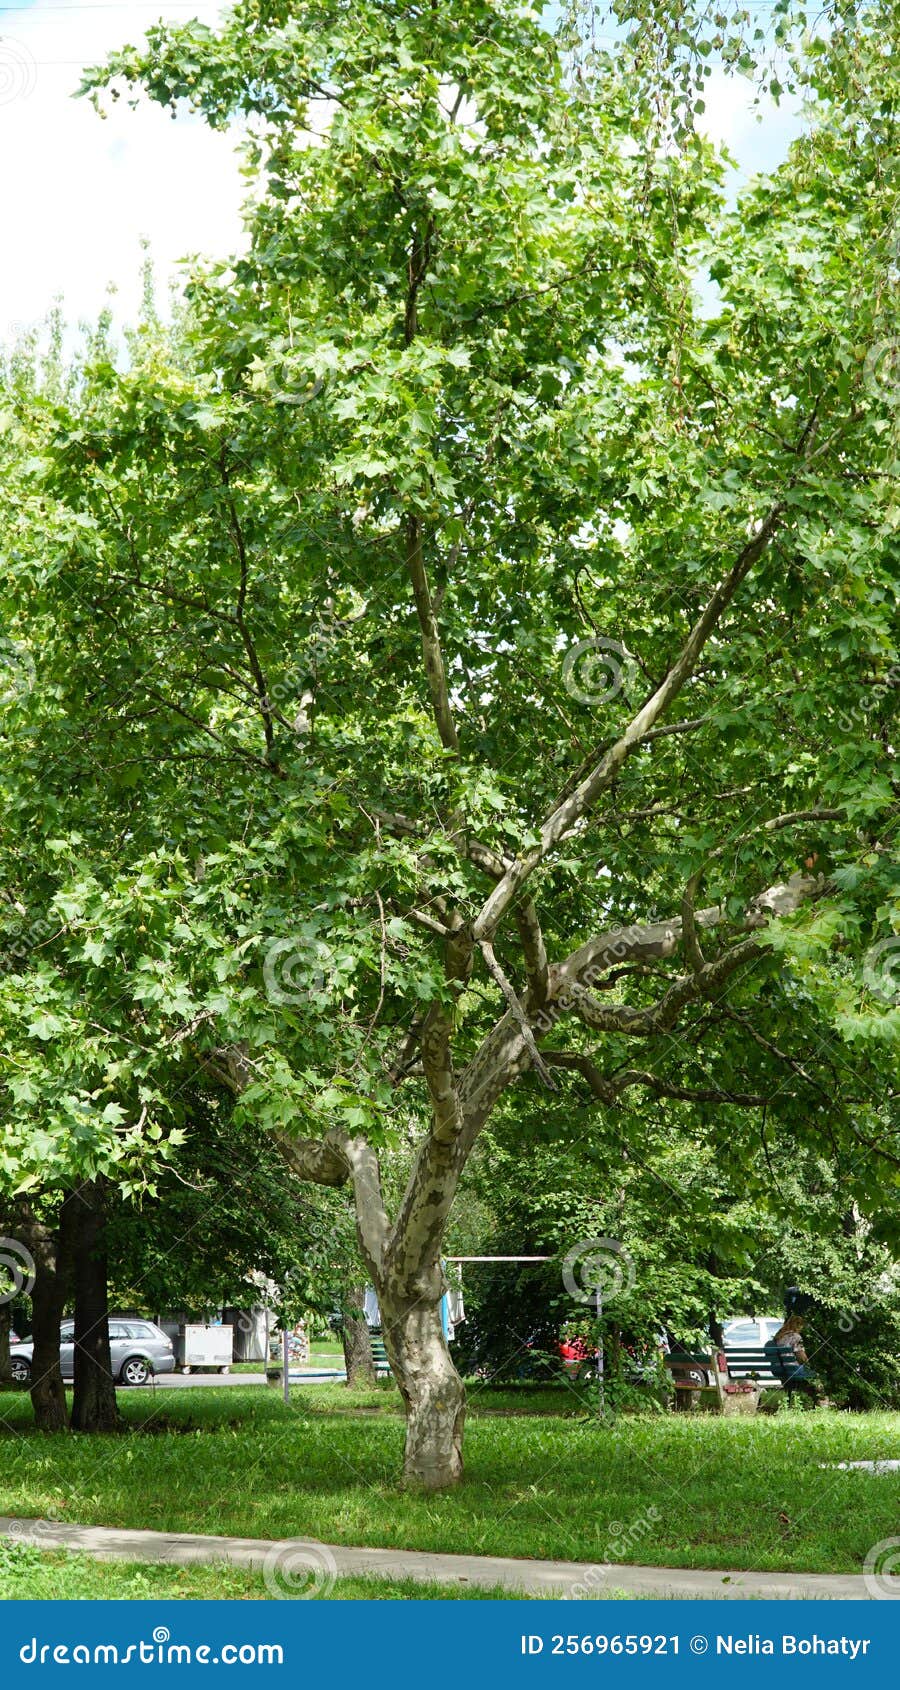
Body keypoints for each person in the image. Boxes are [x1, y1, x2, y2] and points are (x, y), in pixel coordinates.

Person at [768, 1315, 821, 1402]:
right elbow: (801, 1358)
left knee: (801, 1376)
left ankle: (795, 1395)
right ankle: (818, 1398)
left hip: (778, 1370)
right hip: (791, 1370)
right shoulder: (796, 1337)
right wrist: (808, 1363)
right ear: (798, 1325)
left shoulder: (779, 1337)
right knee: (815, 1374)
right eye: (801, 1326)